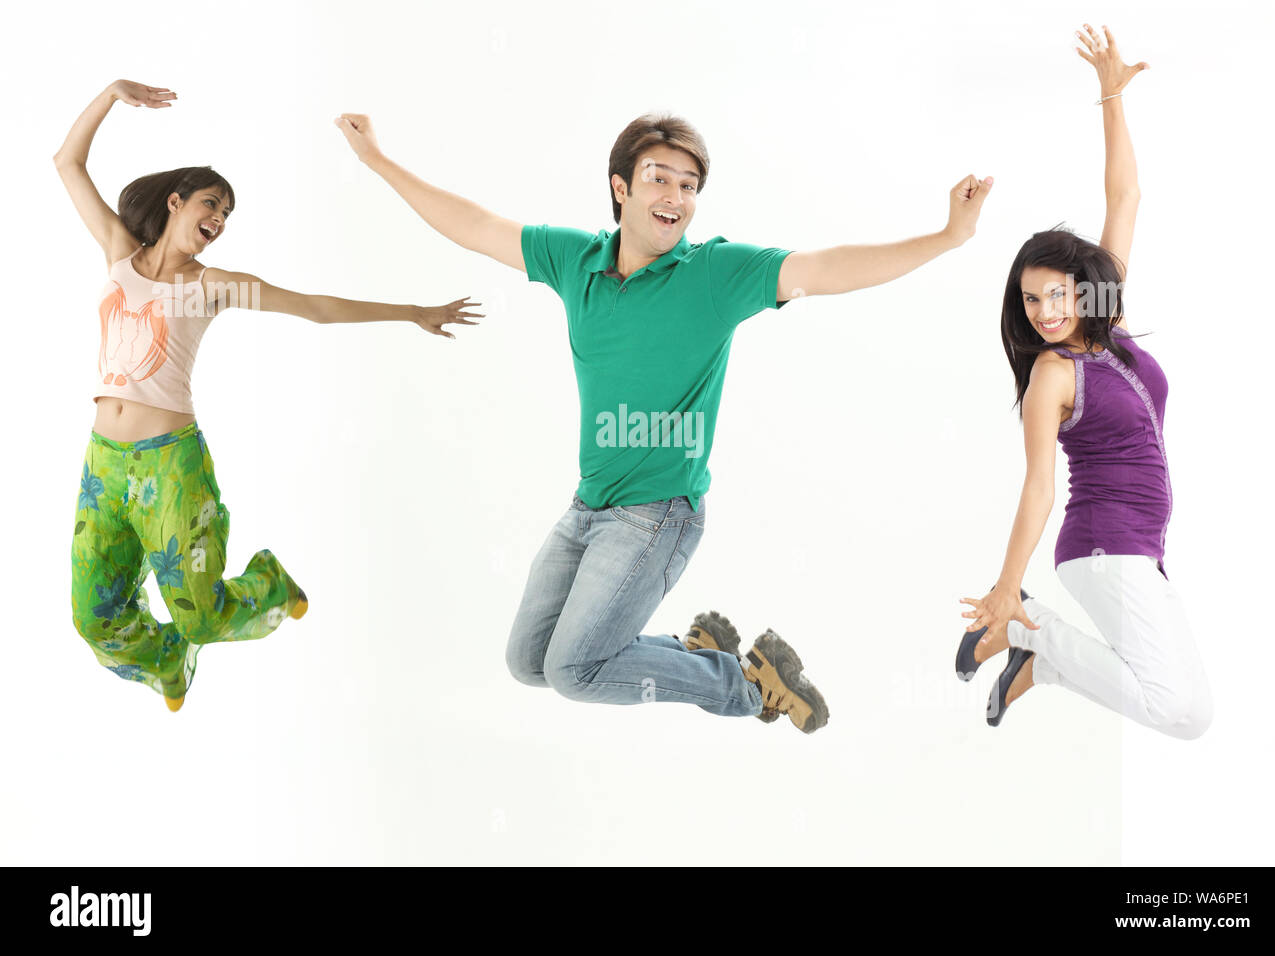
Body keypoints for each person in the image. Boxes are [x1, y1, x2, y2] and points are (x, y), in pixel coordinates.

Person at [336, 108, 992, 732]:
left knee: (574, 670)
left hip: (658, 515)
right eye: (659, 177)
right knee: (528, 663)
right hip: (585, 508)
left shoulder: (714, 273)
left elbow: (824, 270)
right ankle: (698, 651)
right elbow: (474, 225)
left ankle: (745, 682)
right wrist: (378, 161)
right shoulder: (575, 260)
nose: (675, 195)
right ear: (621, 187)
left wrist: (947, 237)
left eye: (689, 185)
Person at [56, 80, 483, 711]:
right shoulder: (120, 254)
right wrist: (112, 94)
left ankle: (269, 586)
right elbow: (67, 162)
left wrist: (413, 311)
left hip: (171, 465)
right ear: (176, 202)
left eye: (227, 215)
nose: (219, 220)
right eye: (211, 204)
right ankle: (168, 659)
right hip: (103, 464)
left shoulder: (215, 286)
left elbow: (314, 308)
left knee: (202, 619)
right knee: (94, 619)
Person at [955, 26, 1212, 739]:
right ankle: (1027, 627)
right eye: (1030, 301)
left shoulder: (1108, 328)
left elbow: (1125, 196)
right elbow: (1039, 485)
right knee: (1181, 714)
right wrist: (1007, 587)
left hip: (1142, 546)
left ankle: (1040, 661)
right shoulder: (1051, 373)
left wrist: (1111, 96)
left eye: (1055, 295)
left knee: (1194, 703)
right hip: (1104, 544)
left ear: (1083, 290)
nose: (1043, 313)